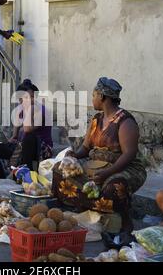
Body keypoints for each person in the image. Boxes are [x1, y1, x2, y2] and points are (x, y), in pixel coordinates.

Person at [52, 77, 147, 232]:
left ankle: (124, 218)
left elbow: (129, 154)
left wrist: (108, 172)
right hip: (96, 167)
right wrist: (74, 155)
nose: (92, 99)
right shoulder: (96, 120)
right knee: (59, 170)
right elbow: (85, 148)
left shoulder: (125, 121)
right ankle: (84, 209)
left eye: (93, 95)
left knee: (113, 187)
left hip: (124, 168)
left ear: (102, 96)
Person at [0, 79, 53, 178]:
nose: (30, 100)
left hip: (41, 148)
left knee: (29, 138)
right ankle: (1, 176)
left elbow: (27, 129)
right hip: (22, 147)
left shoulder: (40, 110)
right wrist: (10, 142)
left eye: (32, 97)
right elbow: (15, 136)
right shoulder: (19, 111)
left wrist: (30, 109)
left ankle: (25, 175)